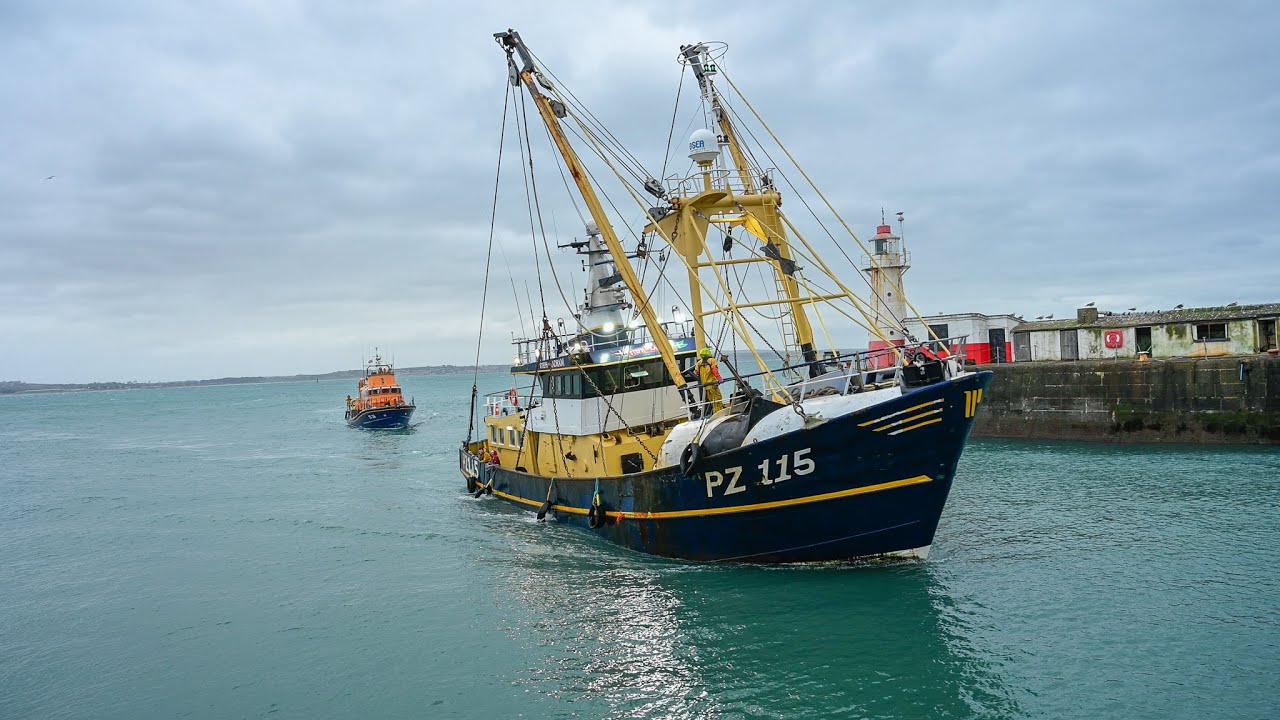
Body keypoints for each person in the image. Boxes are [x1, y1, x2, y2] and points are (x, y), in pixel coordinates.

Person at [695, 348, 724, 414]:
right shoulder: (712, 360)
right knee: (717, 399)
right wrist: (720, 379)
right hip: (713, 384)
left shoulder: (699, 363)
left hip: (706, 386)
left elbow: (696, 372)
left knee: (712, 401)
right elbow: (715, 370)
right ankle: (719, 413)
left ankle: (715, 413)